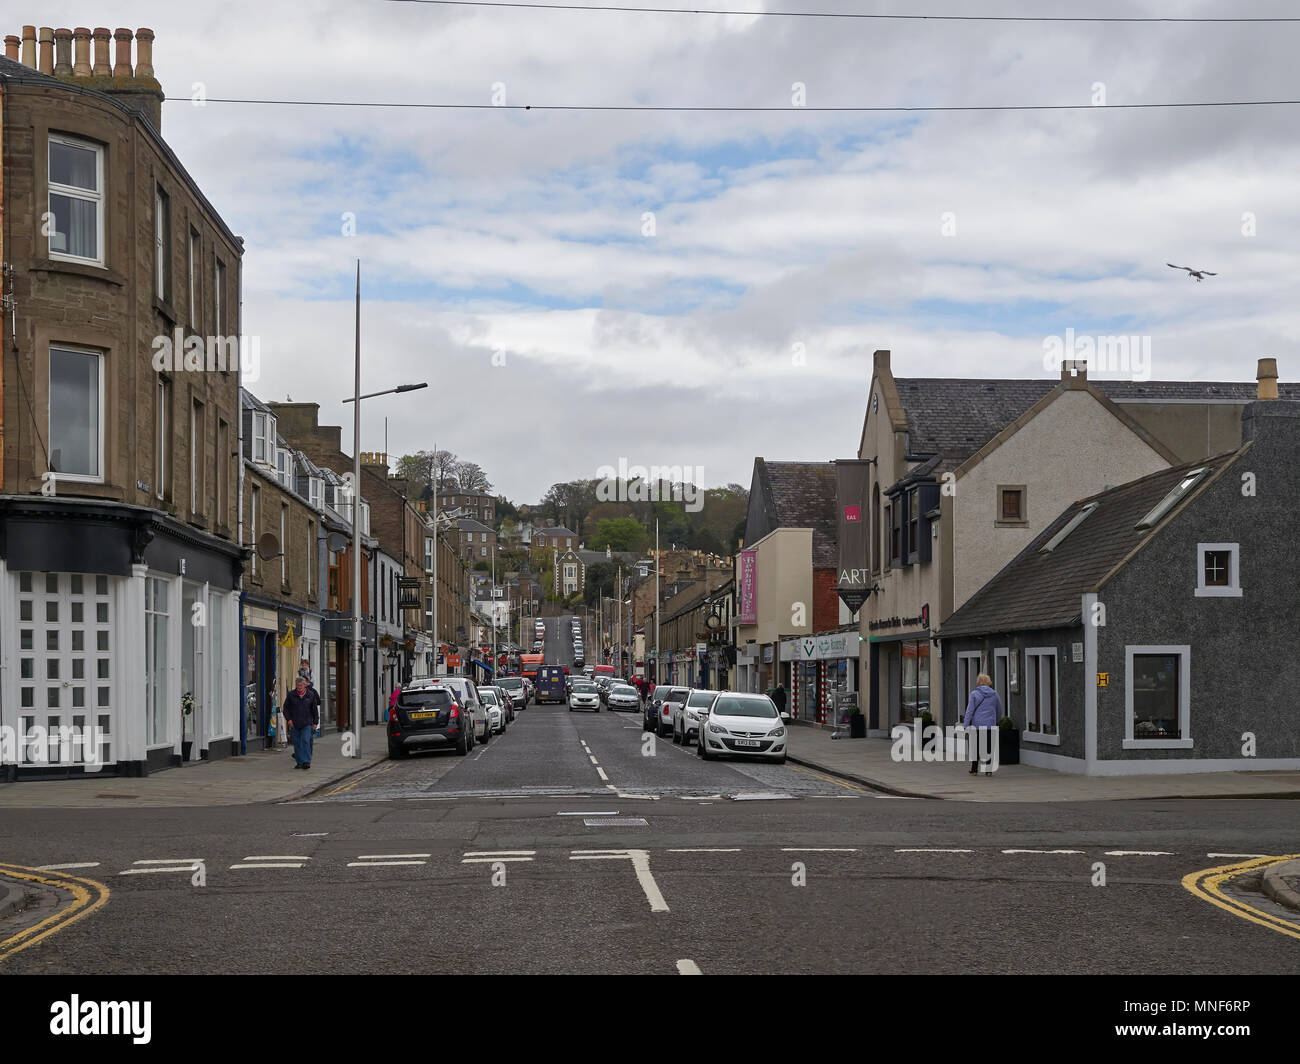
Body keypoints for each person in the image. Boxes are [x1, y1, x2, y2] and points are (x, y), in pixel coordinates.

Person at [962, 672, 1003, 775]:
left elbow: (969, 710)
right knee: (989, 747)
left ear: (979, 682)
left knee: (976, 747)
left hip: (977, 725)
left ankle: (974, 770)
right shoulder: (994, 694)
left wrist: (966, 724)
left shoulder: (974, 694)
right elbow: (999, 709)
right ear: (988, 682)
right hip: (990, 724)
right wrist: (996, 720)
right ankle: (988, 771)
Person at [284, 675, 321, 770]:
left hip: (307, 723)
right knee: (297, 743)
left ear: (305, 685)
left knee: (305, 740)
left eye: (301, 685)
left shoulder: (310, 695)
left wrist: (315, 723)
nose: (299, 687)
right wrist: (289, 720)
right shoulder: (291, 695)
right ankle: (299, 762)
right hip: (294, 723)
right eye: (297, 685)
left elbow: (314, 710)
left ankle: (306, 762)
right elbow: (286, 709)